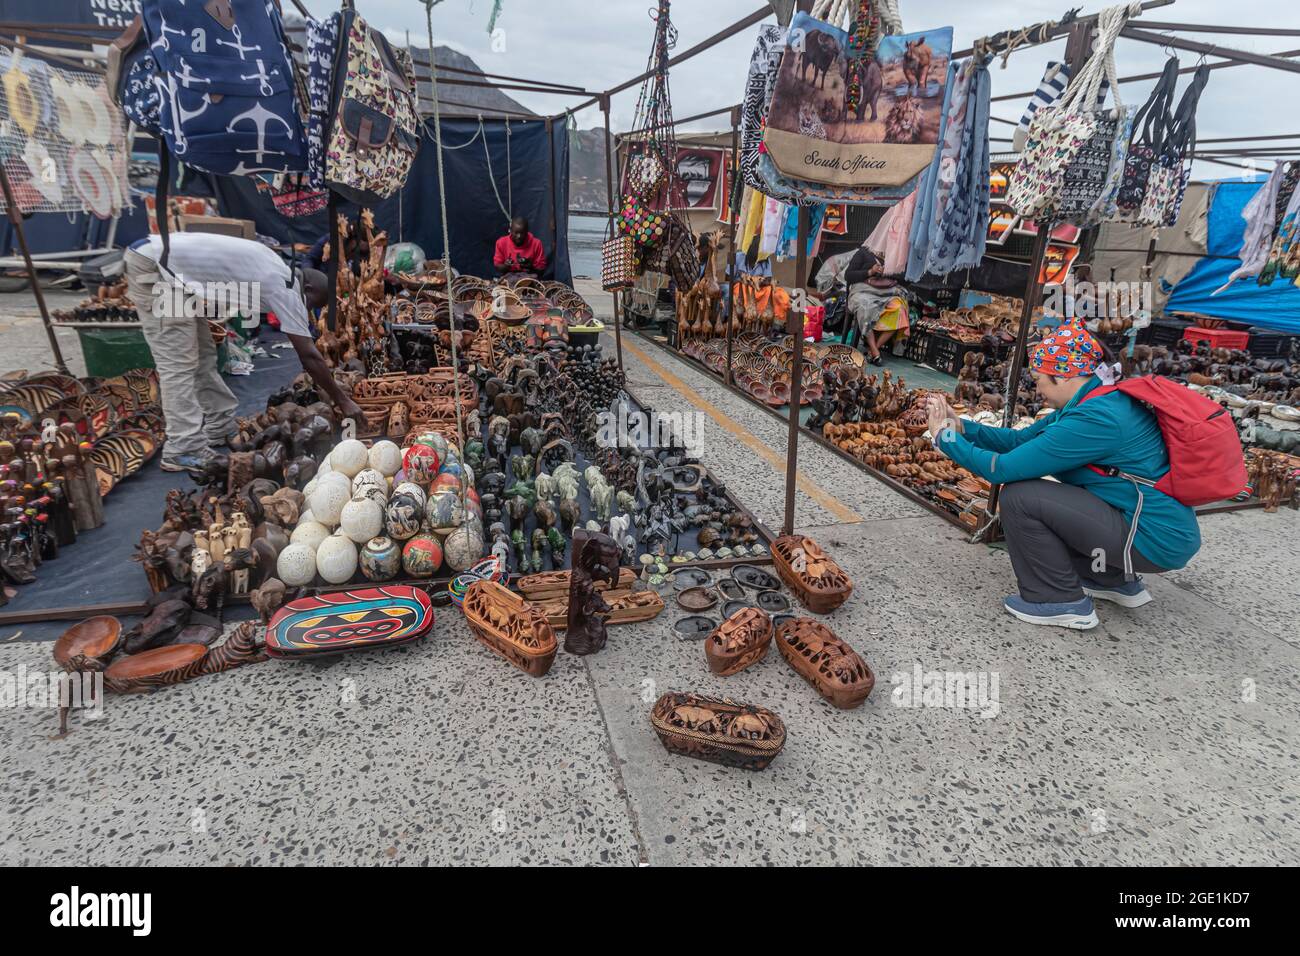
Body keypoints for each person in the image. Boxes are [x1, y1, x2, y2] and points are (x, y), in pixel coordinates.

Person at [926, 319, 1201, 630]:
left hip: (1154, 539)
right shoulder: (1094, 399)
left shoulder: (1096, 418)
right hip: (1150, 528)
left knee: (1020, 496)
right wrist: (962, 426)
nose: (1037, 387)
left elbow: (1003, 469)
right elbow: (1019, 442)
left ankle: (1058, 600)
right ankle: (1109, 577)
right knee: (1057, 494)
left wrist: (943, 439)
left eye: (1039, 378)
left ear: (1062, 375)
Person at [124, 233, 364, 473]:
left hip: (169, 267)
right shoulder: (283, 285)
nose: (307, 310)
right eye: (310, 303)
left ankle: (220, 426)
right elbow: (308, 355)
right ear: (308, 287)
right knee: (178, 361)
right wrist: (342, 400)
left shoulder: (279, 269)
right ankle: (183, 448)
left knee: (203, 355)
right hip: (156, 265)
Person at [844, 246, 908, 365]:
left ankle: (873, 349)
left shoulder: (896, 254)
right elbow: (848, 276)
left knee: (900, 310)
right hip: (863, 291)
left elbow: (906, 278)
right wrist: (870, 272)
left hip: (888, 292)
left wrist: (889, 271)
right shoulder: (864, 252)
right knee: (865, 307)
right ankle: (875, 351)